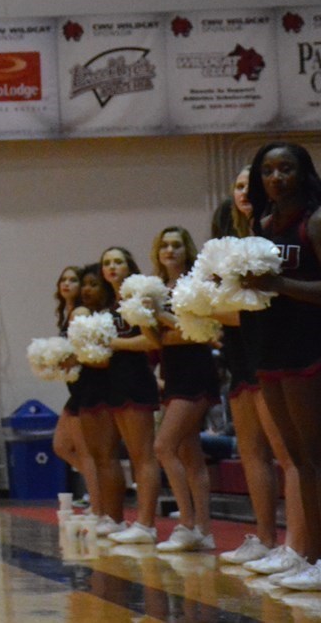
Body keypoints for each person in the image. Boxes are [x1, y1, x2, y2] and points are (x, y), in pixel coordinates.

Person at [243, 143, 321, 589]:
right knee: (297, 459)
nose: (277, 177)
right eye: (268, 170)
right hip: (269, 350)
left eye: (286, 168)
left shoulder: (315, 221)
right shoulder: (262, 225)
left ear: (302, 173)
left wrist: (282, 283)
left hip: (309, 349)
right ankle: (307, 554)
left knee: (314, 458)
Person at [213, 166, 294, 571]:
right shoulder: (232, 243)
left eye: (252, 184)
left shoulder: (278, 235)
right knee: (251, 451)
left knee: (286, 452)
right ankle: (265, 538)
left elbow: (262, 304)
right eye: (239, 186)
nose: (246, 191)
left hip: (274, 354)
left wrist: (211, 308)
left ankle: (297, 545)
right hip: (240, 357)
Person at [147, 226, 218, 552]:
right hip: (173, 372)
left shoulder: (195, 284)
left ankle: (187, 522)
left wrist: (161, 317)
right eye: (165, 245)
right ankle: (204, 530)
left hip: (196, 372)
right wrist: (149, 321)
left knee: (163, 446)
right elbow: (157, 343)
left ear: (187, 249)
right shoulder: (158, 288)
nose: (170, 250)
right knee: (190, 455)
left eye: (176, 244)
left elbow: (202, 332)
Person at [94, 246, 162, 546]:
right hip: (115, 384)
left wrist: (115, 344)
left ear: (129, 266)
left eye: (118, 262)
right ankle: (134, 520)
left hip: (137, 382)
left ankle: (147, 523)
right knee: (130, 455)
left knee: (143, 454)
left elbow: (151, 341)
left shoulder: (138, 299)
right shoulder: (110, 304)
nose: (112, 267)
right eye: (107, 263)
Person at [70, 264, 127, 537]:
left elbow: (103, 359)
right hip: (85, 390)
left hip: (105, 389)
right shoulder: (85, 315)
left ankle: (116, 517)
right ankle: (103, 513)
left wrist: (81, 354)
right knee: (96, 456)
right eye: (85, 284)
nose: (86, 289)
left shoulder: (107, 317)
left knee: (107, 456)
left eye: (93, 284)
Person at [48, 266, 101, 514]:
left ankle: (98, 502)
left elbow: (83, 350)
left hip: (88, 386)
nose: (67, 284)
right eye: (63, 279)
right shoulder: (67, 312)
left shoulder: (80, 312)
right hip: (75, 389)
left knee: (85, 450)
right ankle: (101, 488)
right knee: (61, 445)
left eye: (73, 280)